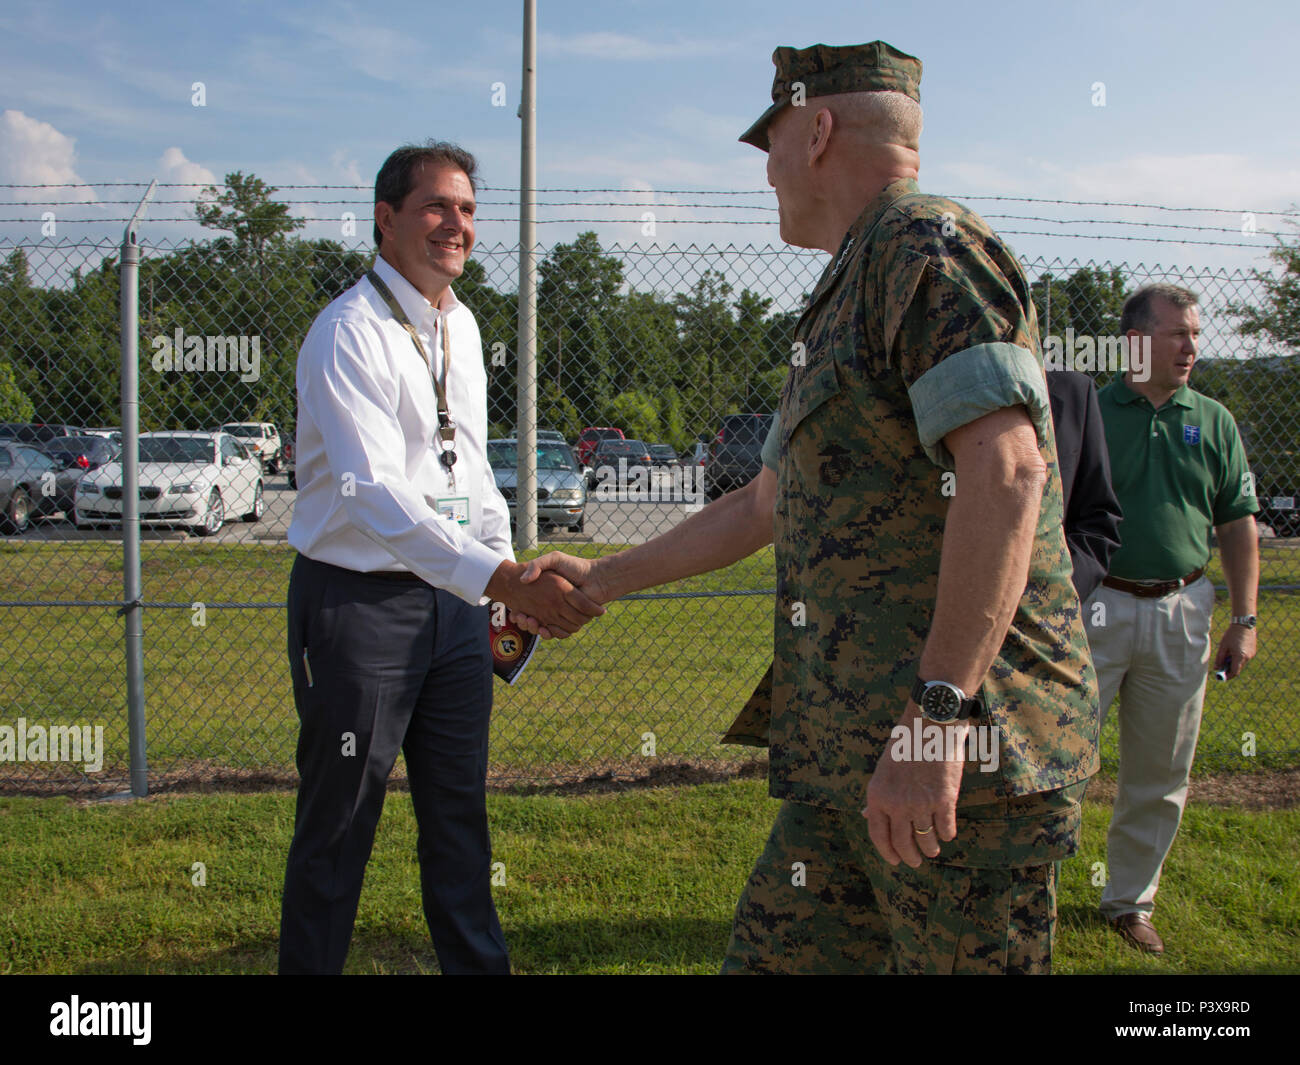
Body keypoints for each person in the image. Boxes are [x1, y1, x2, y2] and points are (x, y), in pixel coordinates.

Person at [514, 42, 1100, 973]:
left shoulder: (926, 246)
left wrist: (933, 718)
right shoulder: (849, 283)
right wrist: (603, 577)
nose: (766, 169)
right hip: (850, 766)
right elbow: (764, 503)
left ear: (818, 129)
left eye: (771, 140)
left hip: (961, 771)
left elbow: (1008, 473)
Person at [279, 141, 602, 975]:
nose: (455, 224)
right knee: (339, 824)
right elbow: (371, 494)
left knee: (458, 815)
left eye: (465, 208)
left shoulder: (460, 322)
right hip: (360, 608)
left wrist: (508, 579)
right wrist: (494, 575)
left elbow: (472, 473)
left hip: (455, 608)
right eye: (434, 206)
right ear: (386, 220)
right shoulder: (347, 333)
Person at [1084, 284, 1259, 955]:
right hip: (1095, 605)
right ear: (1134, 340)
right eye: (1176, 333)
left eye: (1194, 334)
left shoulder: (1212, 420)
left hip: (1182, 609)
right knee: (1061, 756)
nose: (1190, 346)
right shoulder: (1093, 413)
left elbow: (1237, 525)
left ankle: (1129, 901)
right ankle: (1028, 886)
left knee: (1161, 770)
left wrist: (1243, 618)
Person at [1047, 370, 1123, 601]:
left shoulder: (1072, 391)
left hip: (1045, 614)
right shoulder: (937, 381)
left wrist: (1060, 596)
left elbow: (1097, 516)